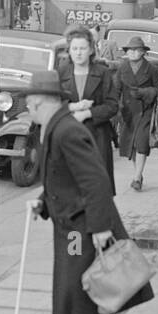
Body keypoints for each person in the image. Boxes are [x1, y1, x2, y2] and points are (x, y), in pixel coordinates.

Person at [25, 71, 146, 314]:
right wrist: (44, 201)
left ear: (41, 103)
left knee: (89, 286)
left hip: (83, 225)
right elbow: (62, 177)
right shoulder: (58, 127)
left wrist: (101, 228)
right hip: (70, 222)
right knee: (69, 286)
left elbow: (95, 181)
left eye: (28, 103)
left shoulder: (66, 131)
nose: (27, 108)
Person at [57, 25, 119, 193]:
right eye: (74, 48)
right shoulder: (62, 73)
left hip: (97, 137)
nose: (78, 53)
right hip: (69, 137)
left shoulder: (103, 73)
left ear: (91, 50)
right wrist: (72, 107)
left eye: (83, 48)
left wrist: (87, 113)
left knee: (97, 191)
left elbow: (112, 105)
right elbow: (54, 105)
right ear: (68, 50)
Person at [114, 36, 158, 191]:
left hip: (145, 110)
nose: (132, 53)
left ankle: (136, 178)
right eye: (130, 50)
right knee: (132, 145)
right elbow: (116, 89)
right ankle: (138, 174)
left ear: (142, 52)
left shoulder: (151, 69)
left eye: (136, 50)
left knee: (141, 142)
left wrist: (145, 92)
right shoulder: (122, 68)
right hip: (128, 112)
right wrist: (116, 104)